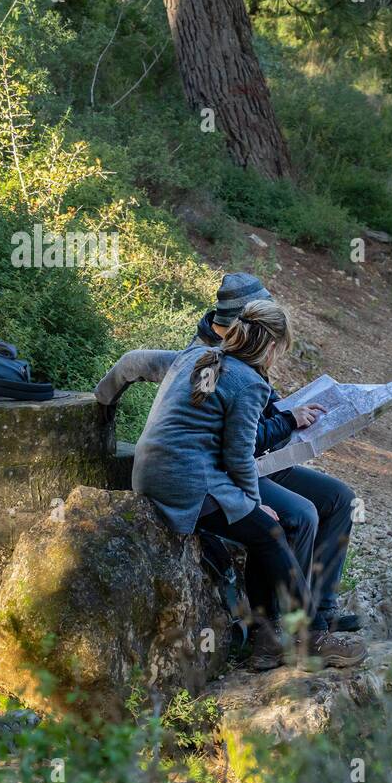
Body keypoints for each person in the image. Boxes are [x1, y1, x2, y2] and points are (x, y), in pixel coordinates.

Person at [97, 272, 361, 636]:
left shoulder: (238, 355)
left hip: (249, 461)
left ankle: (322, 610)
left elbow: (132, 363)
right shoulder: (209, 356)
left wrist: (103, 401)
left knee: (340, 498)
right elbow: (240, 446)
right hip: (221, 467)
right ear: (258, 332)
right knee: (298, 516)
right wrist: (283, 428)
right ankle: (288, 626)